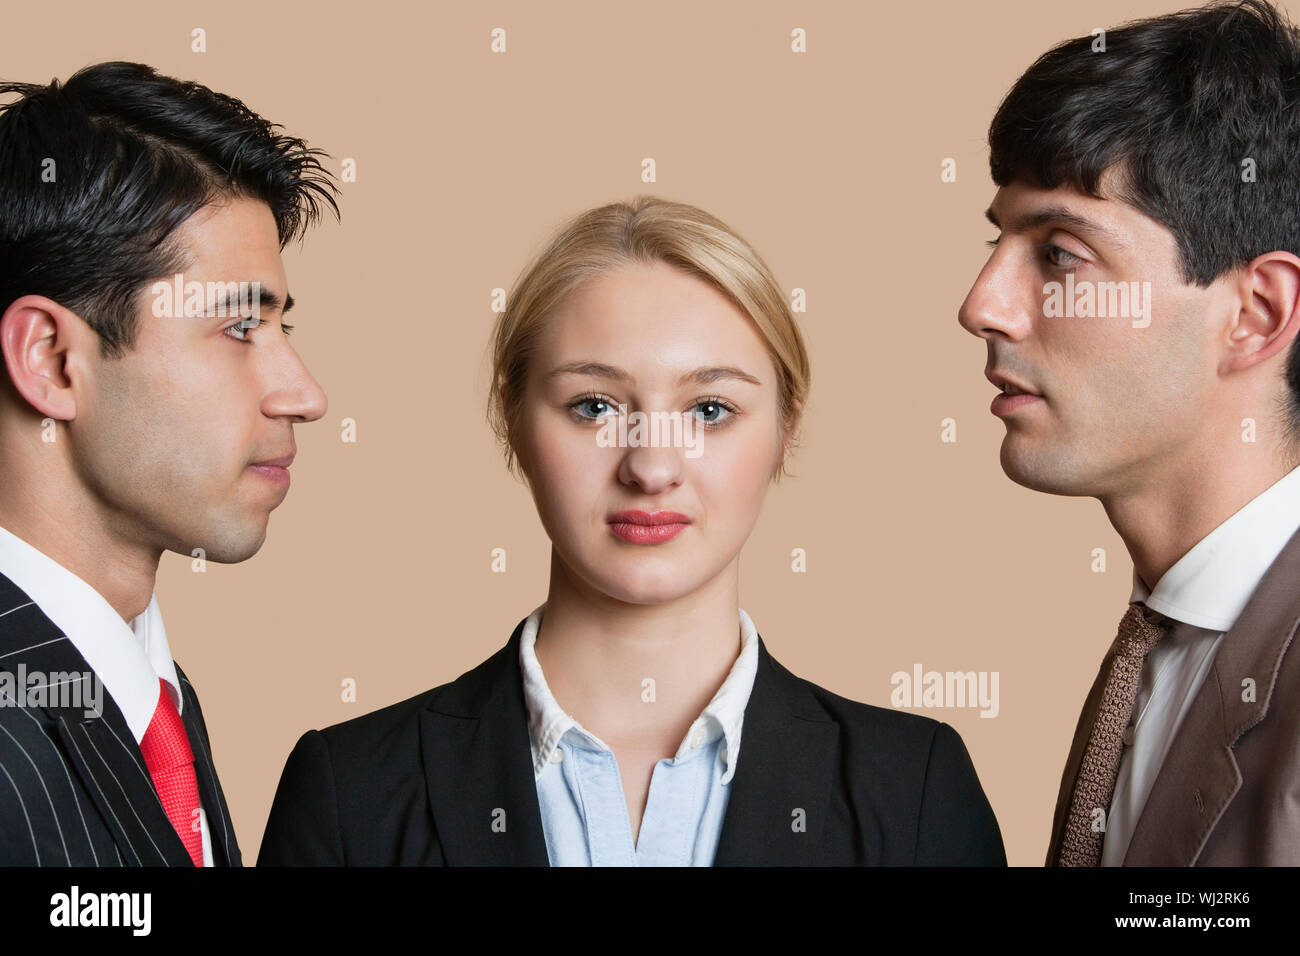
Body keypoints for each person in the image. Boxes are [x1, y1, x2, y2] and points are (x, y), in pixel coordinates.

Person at [259, 196, 1005, 866]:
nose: (651, 467)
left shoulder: (915, 791)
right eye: (593, 406)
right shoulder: (348, 791)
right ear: (513, 422)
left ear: (786, 430)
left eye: (709, 410)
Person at [959, 0, 1300, 865]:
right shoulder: (1164, 638)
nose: (981, 306)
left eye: (1061, 254)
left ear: (1255, 315)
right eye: (1001, 242)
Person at [0, 61, 336, 866]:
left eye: (282, 328)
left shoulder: (150, 697)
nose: (305, 394)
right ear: (50, 360)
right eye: (237, 328)